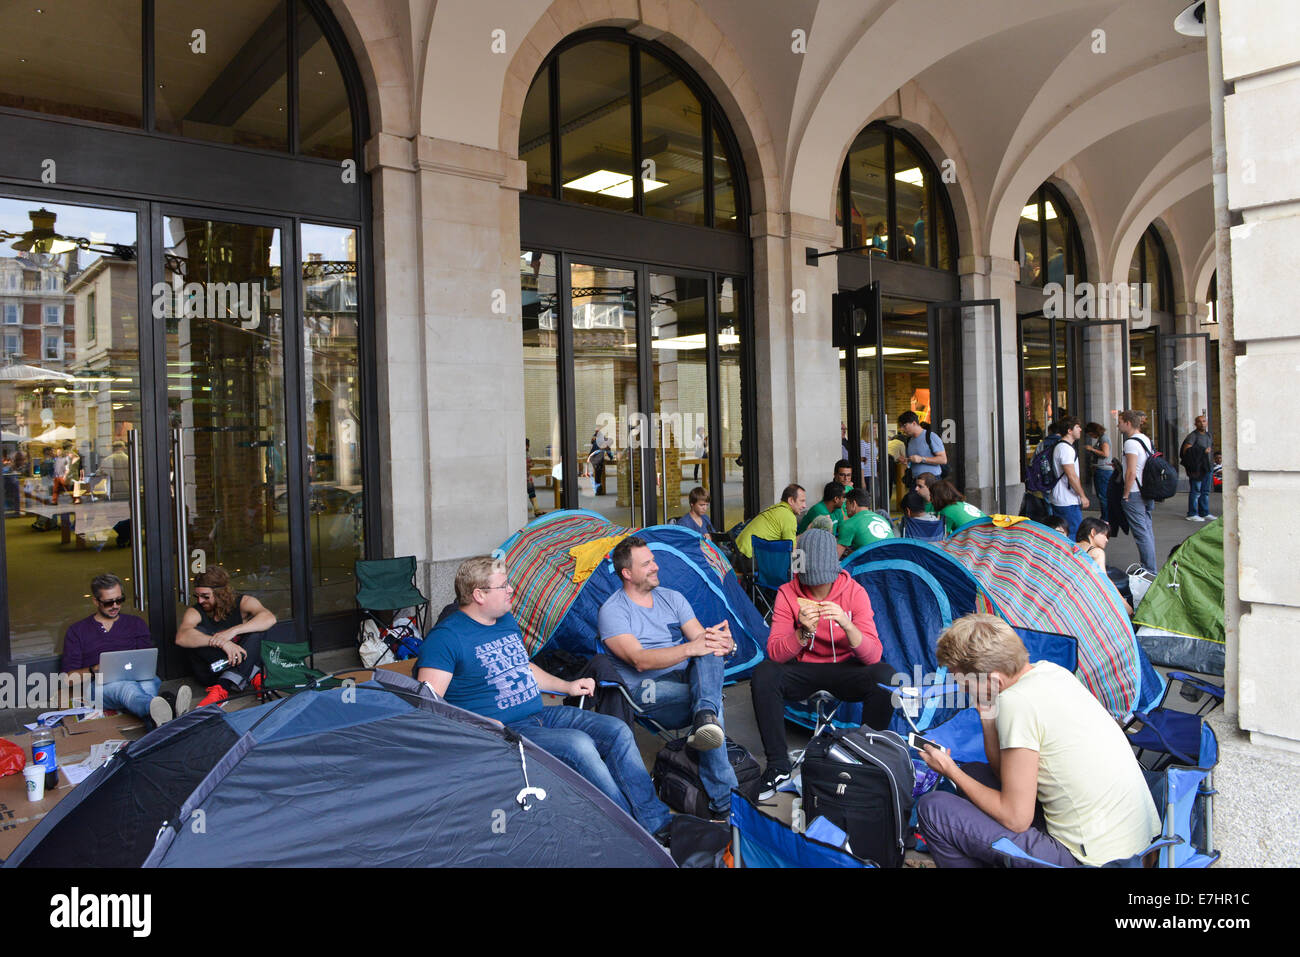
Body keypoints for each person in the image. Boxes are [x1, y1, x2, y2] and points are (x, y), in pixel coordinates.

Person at [418, 556, 672, 839]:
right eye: (503, 586)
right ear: (479, 594)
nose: (511, 590)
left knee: (616, 730)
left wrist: (567, 686)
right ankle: (631, 832)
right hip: (502, 733)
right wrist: (483, 730)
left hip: (539, 716)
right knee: (579, 745)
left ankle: (657, 823)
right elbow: (429, 706)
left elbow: (523, 667)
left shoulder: (504, 621)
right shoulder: (446, 638)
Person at [915, 614, 1160, 867]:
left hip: (1094, 861)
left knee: (933, 809)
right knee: (975, 773)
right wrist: (987, 717)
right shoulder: (1051, 672)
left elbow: (1016, 819)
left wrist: (950, 770)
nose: (964, 690)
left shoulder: (1017, 703)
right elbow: (1005, 774)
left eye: (965, 684)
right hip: (1137, 847)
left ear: (994, 680)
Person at [598, 537, 738, 819]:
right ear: (627, 573)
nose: (655, 566)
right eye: (647, 563)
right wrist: (692, 647)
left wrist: (725, 644)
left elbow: (702, 639)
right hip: (646, 692)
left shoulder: (672, 597)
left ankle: (705, 717)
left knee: (709, 652)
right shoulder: (612, 611)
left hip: (685, 678)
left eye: (653, 560)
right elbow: (639, 660)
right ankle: (727, 800)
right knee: (711, 705)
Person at [751, 527, 897, 797]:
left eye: (822, 583)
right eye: (810, 582)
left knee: (885, 675)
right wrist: (801, 633)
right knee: (764, 673)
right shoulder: (787, 592)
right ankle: (778, 767)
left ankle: (866, 760)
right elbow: (775, 652)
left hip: (845, 668)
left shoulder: (854, 592)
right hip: (803, 668)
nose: (816, 589)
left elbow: (873, 654)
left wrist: (846, 623)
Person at [62, 574, 188, 726]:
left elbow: (146, 661)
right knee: (127, 687)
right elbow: (68, 679)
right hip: (99, 687)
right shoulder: (77, 631)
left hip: (140, 680)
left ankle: (159, 719)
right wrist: (94, 670)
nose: (115, 606)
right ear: (95, 601)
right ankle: (170, 705)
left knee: (146, 685)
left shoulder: (136, 624)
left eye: (119, 600)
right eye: (109, 603)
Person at [175, 566, 276, 707]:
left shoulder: (243, 602)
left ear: (220, 593)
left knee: (257, 630)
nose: (200, 601)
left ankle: (224, 687)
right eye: (197, 596)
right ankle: (253, 675)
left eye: (205, 596)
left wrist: (234, 631)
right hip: (212, 671)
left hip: (234, 665)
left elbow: (269, 618)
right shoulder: (195, 611)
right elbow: (182, 637)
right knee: (197, 632)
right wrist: (222, 643)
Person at [1119, 410, 1159, 572]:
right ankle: (1151, 566)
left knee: (1141, 533)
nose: (1118, 425)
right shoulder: (1145, 439)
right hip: (1146, 490)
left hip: (1135, 492)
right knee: (1147, 529)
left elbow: (1131, 471)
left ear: (1128, 423)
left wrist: (1126, 494)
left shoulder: (1130, 443)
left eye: (1120, 422)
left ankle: (1149, 569)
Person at [735, 483, 806, 559]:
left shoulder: (777, 508)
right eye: (802, 501)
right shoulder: (788, 516)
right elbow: (791, 550)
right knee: (800, 560)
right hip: (748, 558)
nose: (804, 505)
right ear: (791, 500)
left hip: (738, 553)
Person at [1075, 517, 1131, 613]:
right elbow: (1104, 581)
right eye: (1105, 535)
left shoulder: (1072, 546)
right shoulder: (1096, 552)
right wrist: (1125, 606)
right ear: (1093, 532)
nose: (1106, 540)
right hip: (1087, 599)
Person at [1048, 417, 1089, 540]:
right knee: (1073, 534)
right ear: (1069, 430)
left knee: (1064, 533)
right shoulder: (1065, 449)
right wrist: (1082, 495)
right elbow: (1071, 475)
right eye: (1077, 427)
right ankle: (1069, 559)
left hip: (1062, 498)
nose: (1080, 429)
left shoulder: (1061, 446)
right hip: (1067, 500)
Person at [837, 488, 895, 557]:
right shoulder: (882, 518)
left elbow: (834, 557)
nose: (845, 507)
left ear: (853, 504)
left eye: (846, 503)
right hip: (893, 561)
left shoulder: (849, 524)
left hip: (873, 565)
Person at [1180, 415, 1215, 522]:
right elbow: (1186, 451)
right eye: (1199, 422)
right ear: (1195, 424)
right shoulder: (1192, 436)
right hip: (1197, 468)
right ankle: (1192, 513)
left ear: (1207, 422)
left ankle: (1204, 512)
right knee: (1196, 491)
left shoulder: (1209, 435)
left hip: (1207, 466)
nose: (1202, 423)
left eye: (1204, 421)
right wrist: (1202, 451)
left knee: (1205, 491)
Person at [898, 411, 946, 485]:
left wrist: (922, 459)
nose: (902, 429)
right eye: (900, 427)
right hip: (915, 481)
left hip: (932, 481)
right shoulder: (909, 440)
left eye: (904, 426)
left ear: (914, 423)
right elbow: (913, 461)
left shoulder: (931, 436)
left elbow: (943, 459)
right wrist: (906, 461)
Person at [1082, 423, 1112, 523]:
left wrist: (1092, 449)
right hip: (1101, 469)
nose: (1091, 436)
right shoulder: (1102, 438)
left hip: (1103, 470)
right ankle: (1106, 517)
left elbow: (1105, 454)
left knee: (1103, 495)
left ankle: (1106, 518)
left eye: (1091, 434)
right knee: (1103, 495)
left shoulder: (1104, 439)